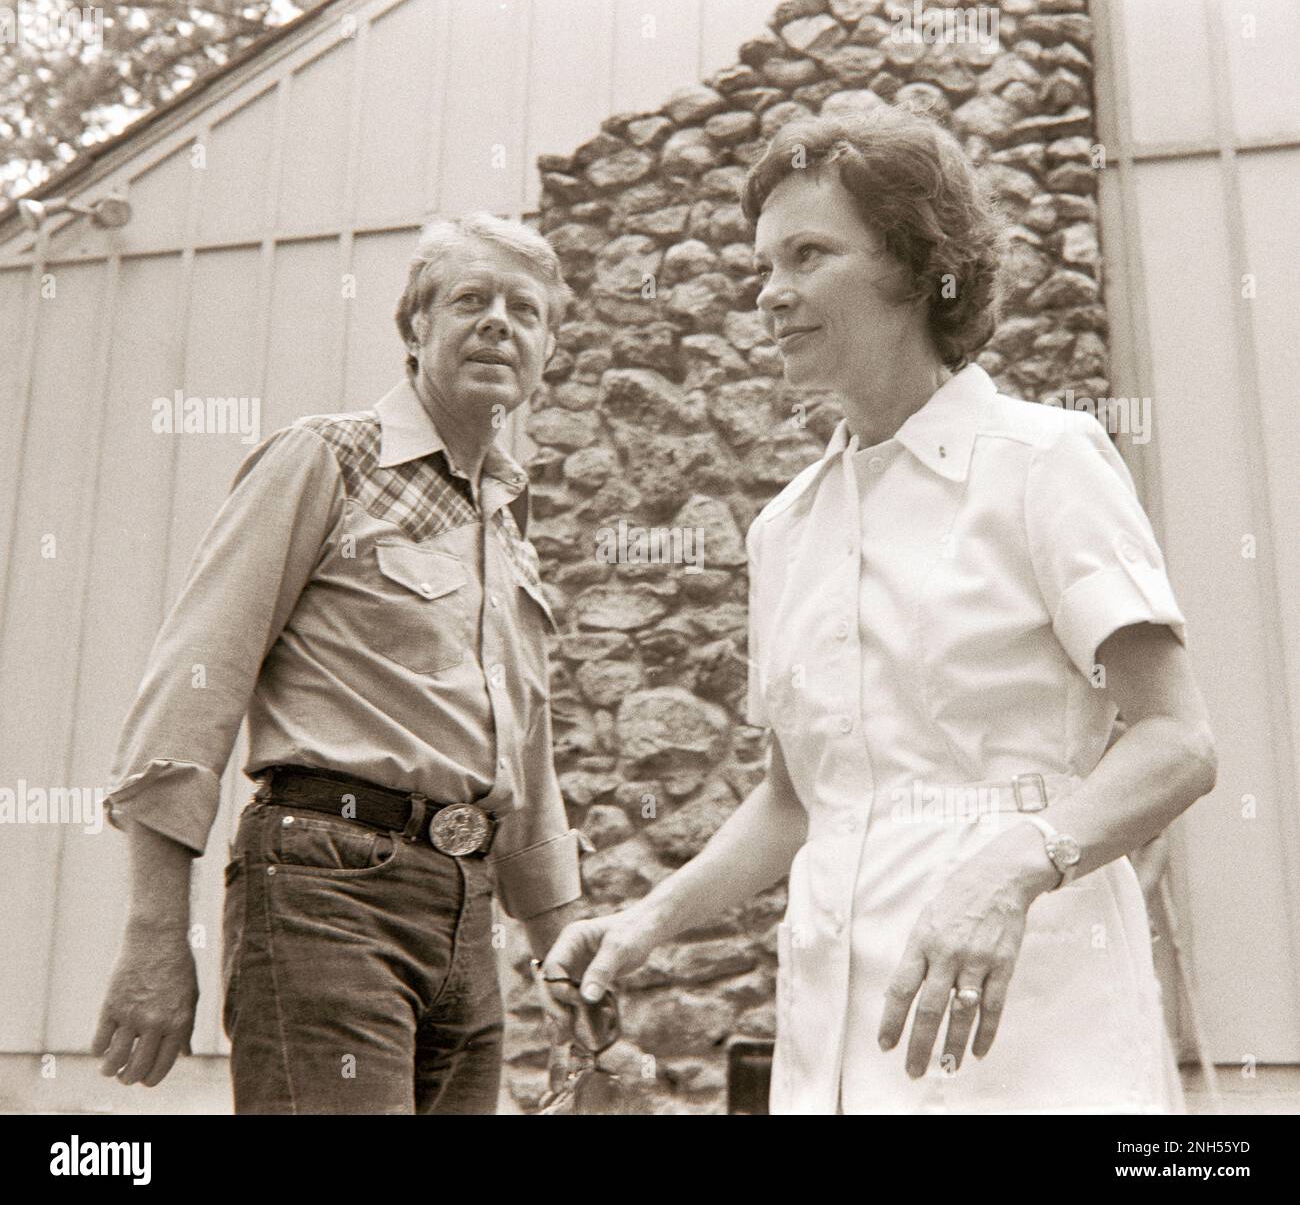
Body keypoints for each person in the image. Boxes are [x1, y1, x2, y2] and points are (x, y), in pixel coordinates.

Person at [541, 107, 1217, 1115]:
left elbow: (1176, 740)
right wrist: (650, 917)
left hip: (1031, 1001)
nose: (769, 295)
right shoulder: (785, 529)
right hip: (837, 1018)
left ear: (914, 266)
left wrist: (1017, 867)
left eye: (806, 255)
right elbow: (795, 799)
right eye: (761, 264)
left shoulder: (1045, 462)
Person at [94, 213, 586, 1114]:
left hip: (465, 914)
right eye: (469, 301)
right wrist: (156, 931)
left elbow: (529, 758)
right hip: (326, 886)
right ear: (414, 328)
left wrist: (565, 955)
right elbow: (193, 684)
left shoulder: (510, 524)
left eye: (526, 310)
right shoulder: (327, 458)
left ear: (548, 348)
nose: (498, 324)